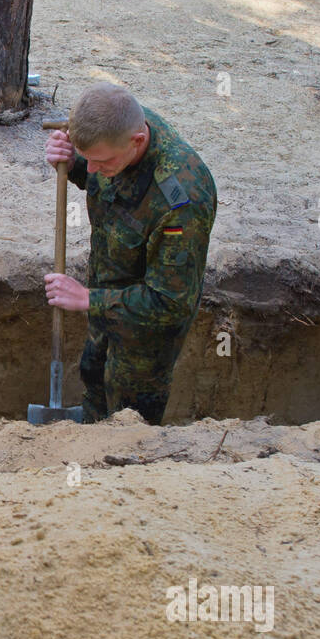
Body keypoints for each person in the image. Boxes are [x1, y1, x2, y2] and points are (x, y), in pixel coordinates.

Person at [43, 83, 216, 424]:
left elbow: (170, 302)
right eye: (89, 159)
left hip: (146, 336)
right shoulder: (117, 130)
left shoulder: (182, 199)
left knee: (129, 418)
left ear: (137, 142)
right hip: (106, 296)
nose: (93, 170)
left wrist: (89, 300)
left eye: (100, 161)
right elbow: (104, 179)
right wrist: (73, 162)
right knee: (93, 376)